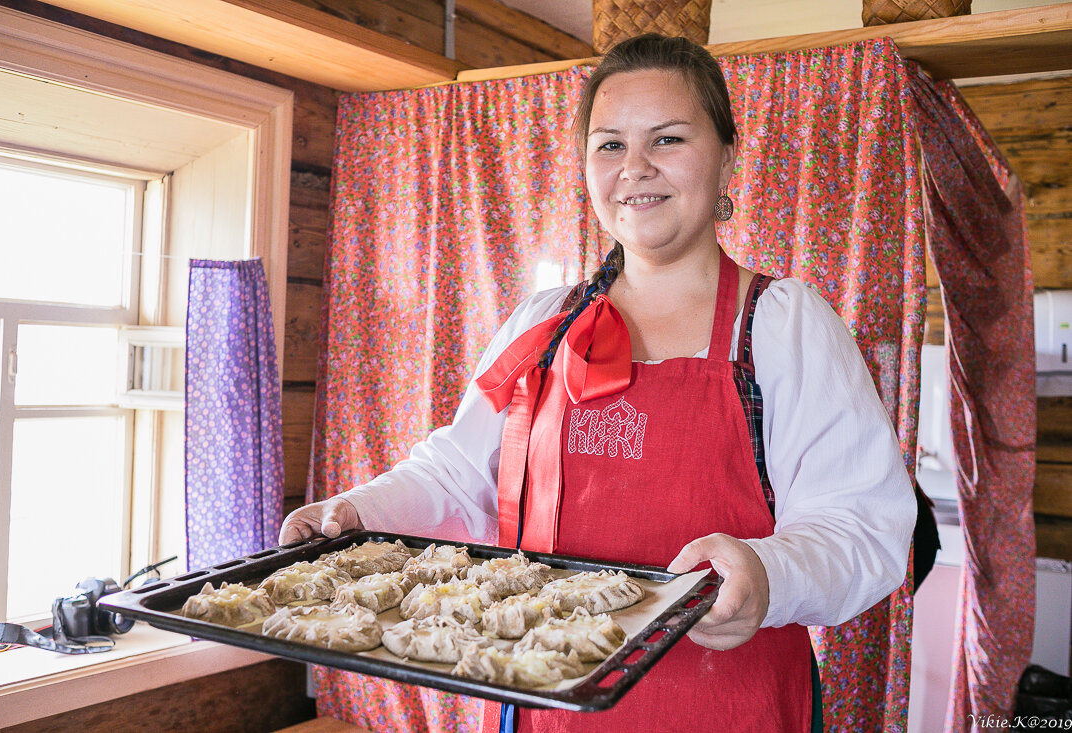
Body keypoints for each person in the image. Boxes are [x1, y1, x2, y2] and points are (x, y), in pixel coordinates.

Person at [281, 34, 916, 733]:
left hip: (725, 707)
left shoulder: (782, 325)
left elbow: (864, 524)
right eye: (609, 144)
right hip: (545, 704)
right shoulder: (544, 322)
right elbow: (460, 475)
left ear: (729, 156)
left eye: (667, 138)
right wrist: (353, 513)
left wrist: (770, 573)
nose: (635, 168)